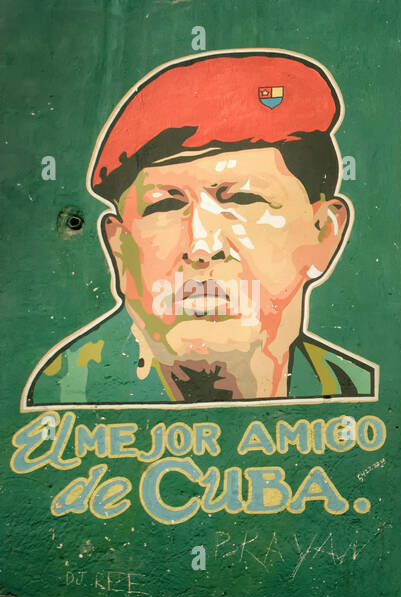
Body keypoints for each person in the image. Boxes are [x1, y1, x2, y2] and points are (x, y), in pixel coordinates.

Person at [24, 50, 376, 407]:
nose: (202, 247)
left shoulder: (353, 390)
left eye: (243, 199)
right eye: (165, 205)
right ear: (119, 249)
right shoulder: (66, 393)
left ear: (323, 234)